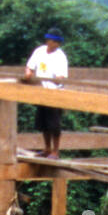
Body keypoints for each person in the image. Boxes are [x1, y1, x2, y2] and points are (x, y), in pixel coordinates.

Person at [22, 28, 69, 158]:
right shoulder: (40, 52)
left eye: (58, 43)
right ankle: (47, 148)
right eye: (54, 42)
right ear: (49, 41)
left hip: (55, 92)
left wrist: (57, 79)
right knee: (43, 122)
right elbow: (30, 66)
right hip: (42, 91)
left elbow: (61, 76)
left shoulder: (60, 57)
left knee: (54, 123)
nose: (56, 45)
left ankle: (55, 151)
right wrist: (28, 73)